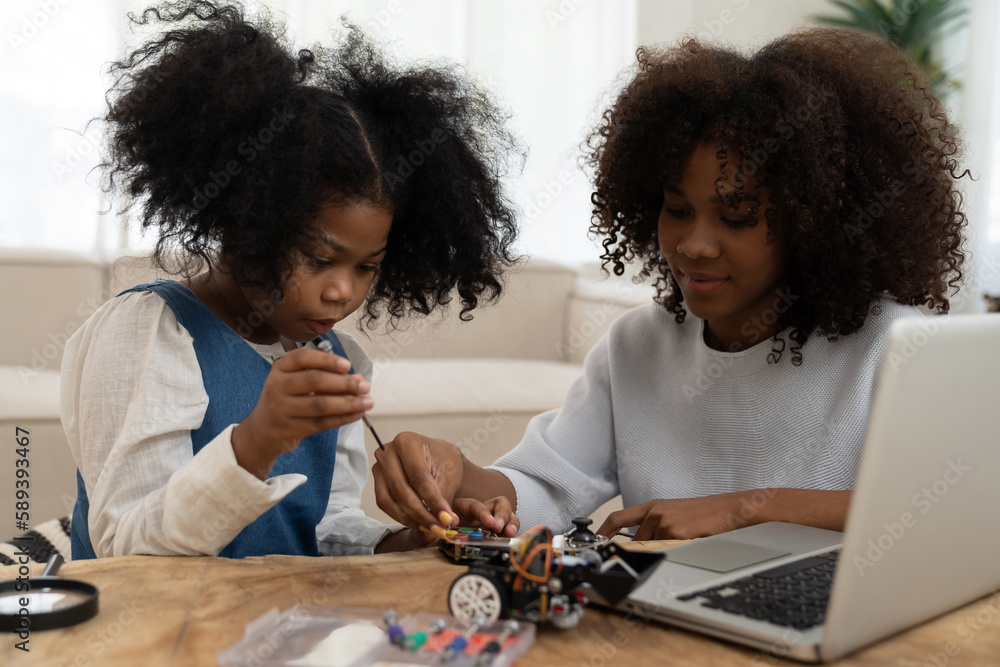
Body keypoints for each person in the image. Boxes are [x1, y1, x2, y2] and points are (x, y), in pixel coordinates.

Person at [372, 28, 969, 542]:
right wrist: (455, 469)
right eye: (677, 209)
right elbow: (541, 487)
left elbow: (954, 510)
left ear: (814, 223)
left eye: (736, 218)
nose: (694, 244)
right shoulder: (638, 346)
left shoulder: (894, 347)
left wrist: (743, 511)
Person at [62, 1, 520, 559]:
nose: (342, 291)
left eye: (367, 266)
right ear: (247, 222)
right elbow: (122, 551)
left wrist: (411, 541)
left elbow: (319, 532)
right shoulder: (148, 332)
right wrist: (255, 444)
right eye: (318, 257)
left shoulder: (336, 357)